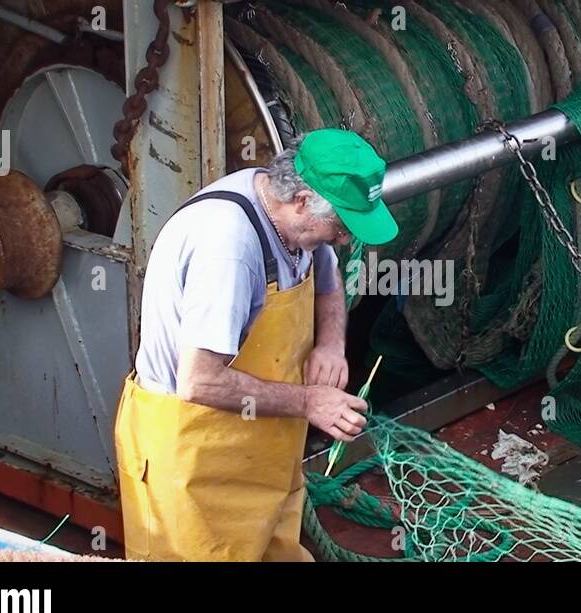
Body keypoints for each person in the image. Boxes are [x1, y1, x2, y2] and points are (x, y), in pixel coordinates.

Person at [113, 129, 399, 560]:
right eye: (341, 225)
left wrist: (331, 343)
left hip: (265, 451)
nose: (343, 238)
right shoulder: (227, 250)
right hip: (195, 460)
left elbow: (328, 279)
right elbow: (199, 381)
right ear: (302, 200)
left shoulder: (291, 216)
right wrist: (310, 403)